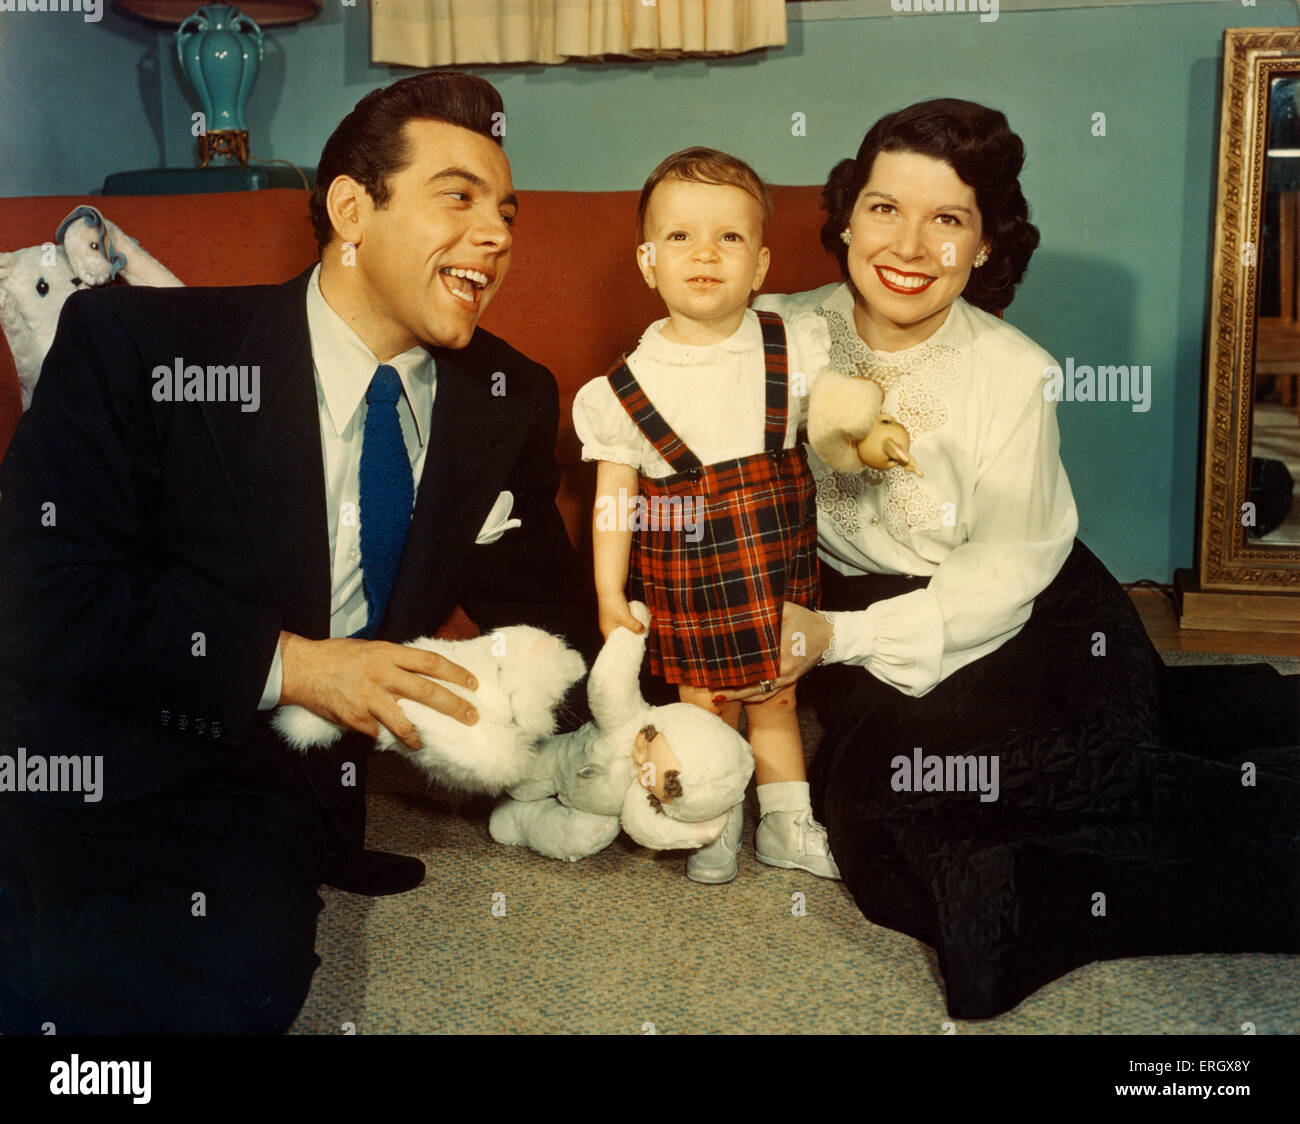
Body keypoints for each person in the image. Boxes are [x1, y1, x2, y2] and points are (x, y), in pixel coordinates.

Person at [0, 73, 595, 1034]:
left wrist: (647, 697)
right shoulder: (140, 345)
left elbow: (549, 612)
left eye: (508, 213)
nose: (497, 235)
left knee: (231, 982)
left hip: (265, 785)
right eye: (460, 197)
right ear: (352, 210)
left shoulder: (507, 395)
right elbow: (35, 591)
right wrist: (294, 664)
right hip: (93, 726)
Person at [733, 99, 1300, 1018]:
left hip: (1035, 612)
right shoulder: (770, 332)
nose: (909, 245)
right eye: (885, 208)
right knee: (887, 801)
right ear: (845, 216)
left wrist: (835, 638)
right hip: (869, 615)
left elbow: (1004, 572)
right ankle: (1227, 730)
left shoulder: (1014, 369)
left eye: (947, 218)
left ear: (988, 244)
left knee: (1053, 776)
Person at [572, 148, 838, 885]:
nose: (705, 254)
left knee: (780, 699)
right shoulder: (626, 387)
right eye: (681, 237)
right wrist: (605, 593)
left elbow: (841, 434)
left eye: (730, 237)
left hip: (778, 557)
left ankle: (787, 822)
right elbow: (615, 498)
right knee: (707, 706)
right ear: (647, 261)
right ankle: (712, 820)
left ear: (759, 265)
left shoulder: (792, 346)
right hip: (692, 574)